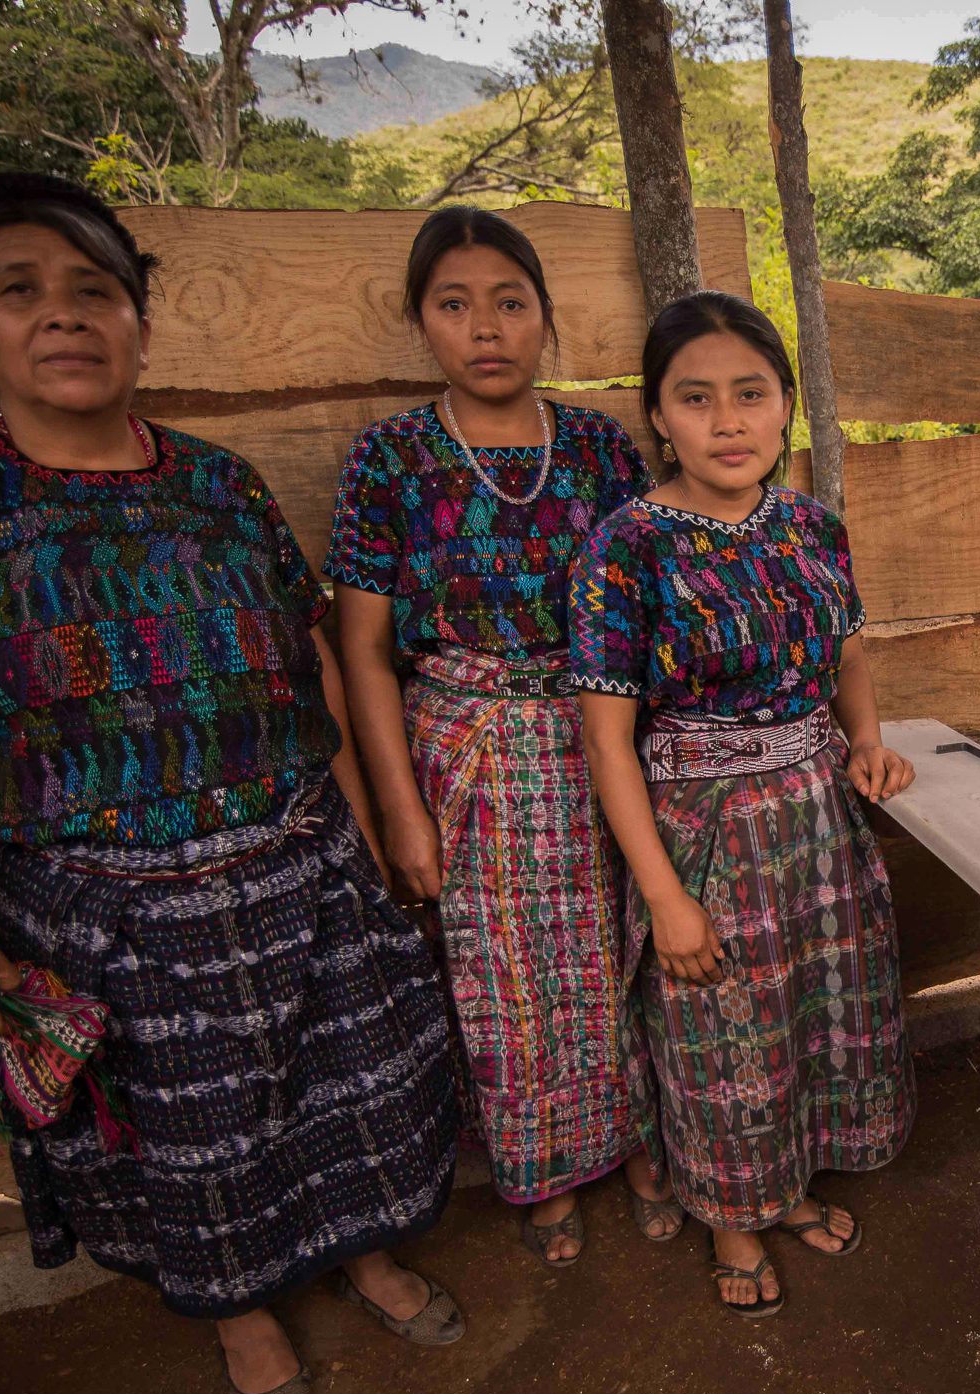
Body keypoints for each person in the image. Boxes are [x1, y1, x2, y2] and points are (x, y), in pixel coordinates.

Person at [0, 173, 463, 1394]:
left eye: (95, 291)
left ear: (140, 322)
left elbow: (309, 664)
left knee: (352, 1088)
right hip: (104, 910)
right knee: (190, 1137)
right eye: (20, 293)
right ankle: (244, 1314)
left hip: (300, 860)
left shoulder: (219, 485)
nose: (64, 318)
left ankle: (366, 1256)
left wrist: (369, 827)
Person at [326, 212, 677, 1271]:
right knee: (505, 977)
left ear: (544, 319)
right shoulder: (388, 461)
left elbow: (644, 608)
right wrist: (398, 809)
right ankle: (545, 1169)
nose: (486, 328)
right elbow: (362, 648)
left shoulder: (602, 449)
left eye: (510, 302)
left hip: (600, 739)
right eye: (454, 303)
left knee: (628, 948)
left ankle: (639, 1142)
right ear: (420, 323)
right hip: (466, 750)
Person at [568, 292, 915, 1319]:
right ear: (658, 418)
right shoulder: (623, 548)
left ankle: (789, 1184)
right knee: (720, 1032)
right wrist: (664, 896)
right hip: (703, 830)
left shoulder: (811, 523)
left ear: (786, 408)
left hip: (817, 819)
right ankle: (731, 1214)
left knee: (808, 1014)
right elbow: (606, 740)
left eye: (750, 394)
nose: (727, 421)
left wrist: (866, 739)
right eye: (696, 398)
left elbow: (847, 646)